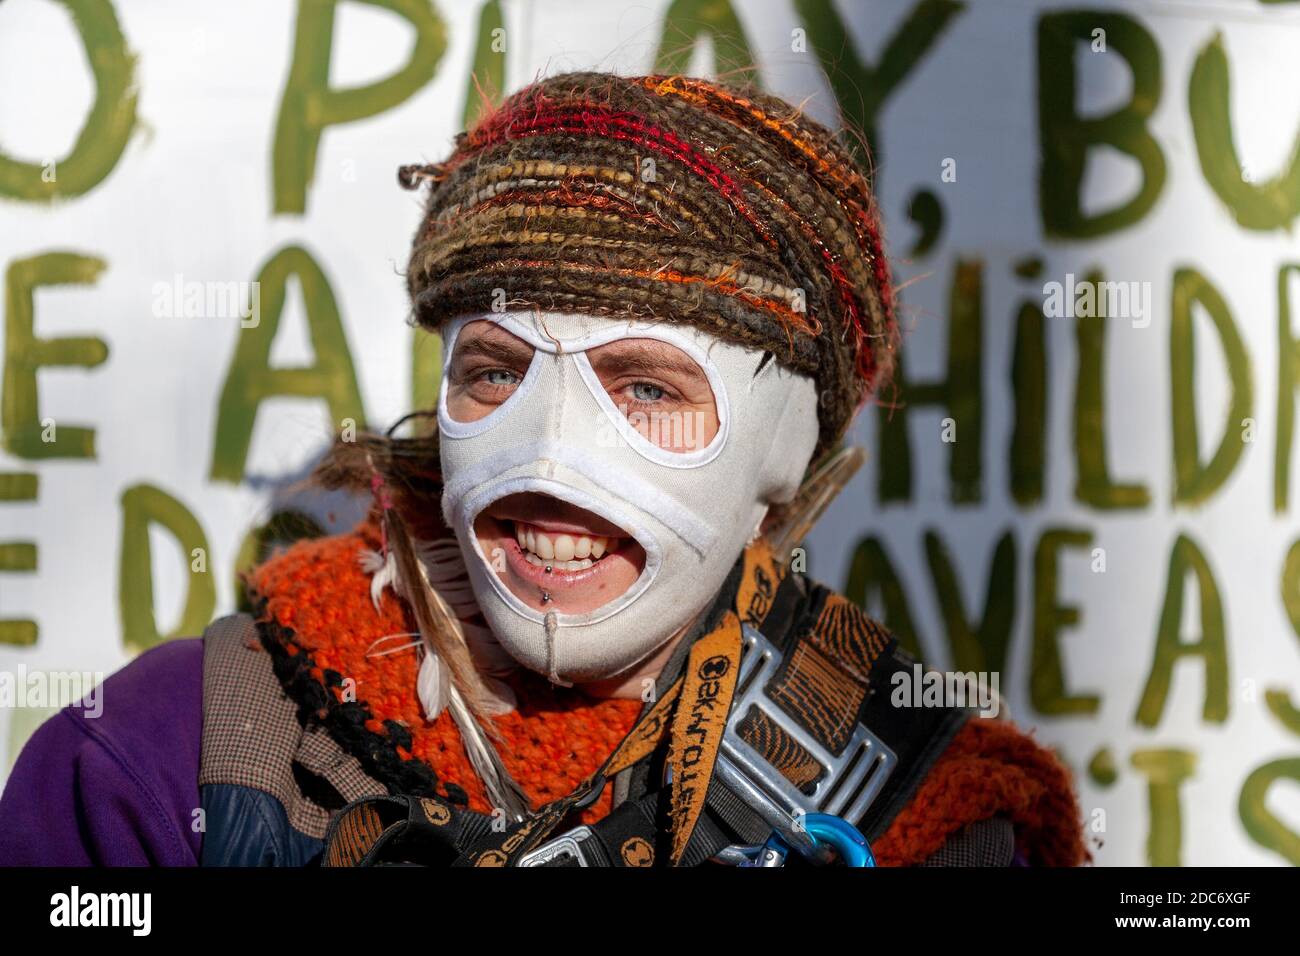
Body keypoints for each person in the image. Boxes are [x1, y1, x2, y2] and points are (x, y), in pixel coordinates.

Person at [0, 72, 1088, 867]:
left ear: (783, 449)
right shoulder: (162, 755)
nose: (550, 454)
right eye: (494, 372)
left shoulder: (938, 812)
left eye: (647, 386)